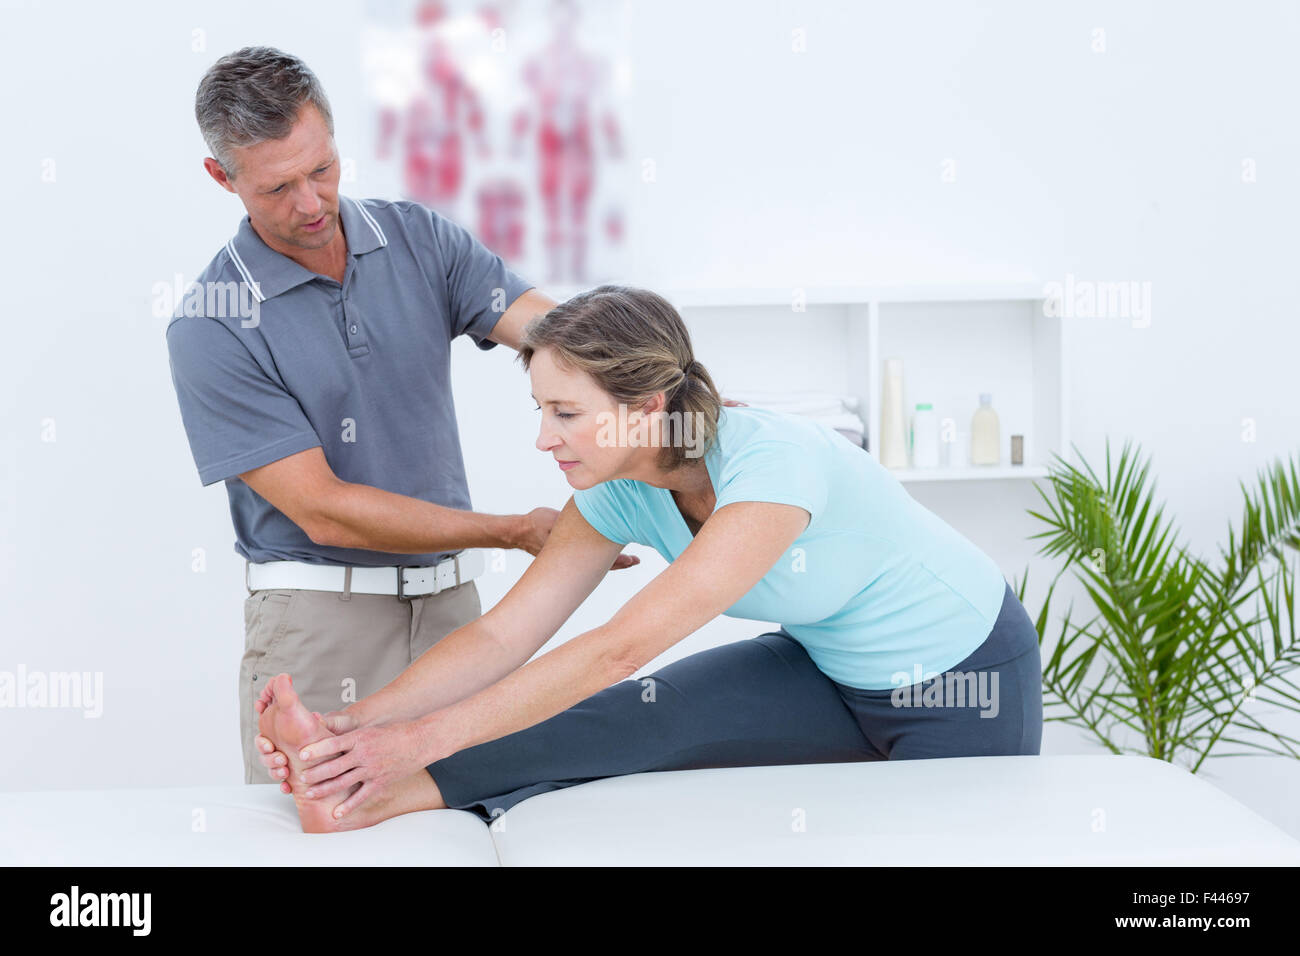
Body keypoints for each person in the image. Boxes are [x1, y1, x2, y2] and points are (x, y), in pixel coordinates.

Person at [253, 285, 1045, 833]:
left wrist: (419, 735)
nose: (544, 437)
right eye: (541, 410)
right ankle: (362, 797)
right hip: (829, 671)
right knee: (626, 717)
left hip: (963, 681)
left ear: (647, 408)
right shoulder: (617, 486)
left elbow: (617, 647)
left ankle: (387, 772)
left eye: (566, 413)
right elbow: (505, 638)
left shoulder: (770, 469)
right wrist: (354, 728)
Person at [166, 46, 638, 784]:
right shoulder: (212, 323)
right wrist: (512, 531)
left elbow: (548, 331)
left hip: (455, 612)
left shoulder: (418, 239)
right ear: (220, 178)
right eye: (278, 187)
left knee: (484, 809)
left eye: (321, 170)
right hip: (319, 629)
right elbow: (326, 512)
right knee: (326, 828)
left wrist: (651, 379)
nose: (312, 203)